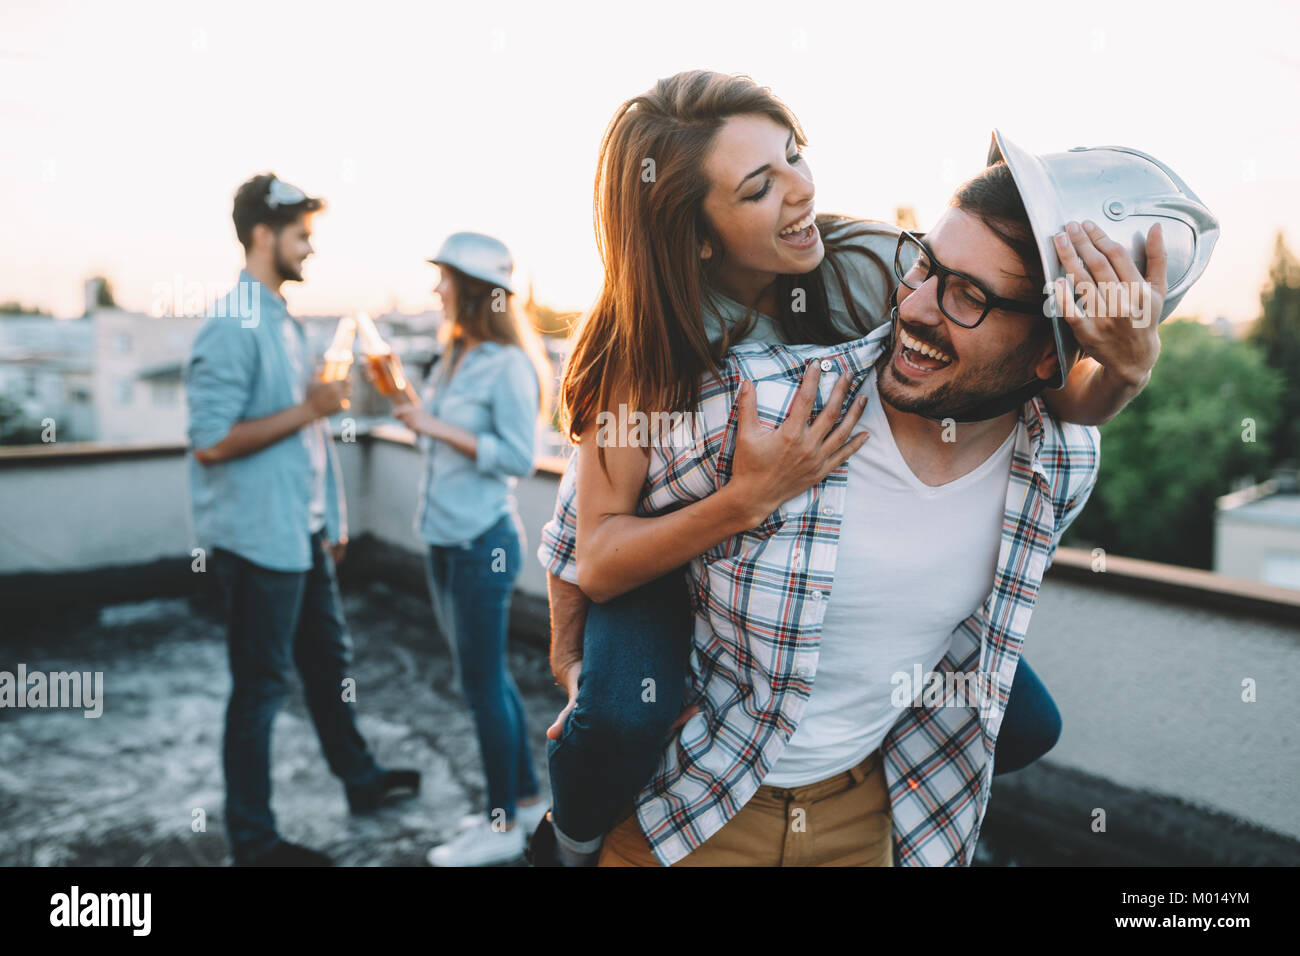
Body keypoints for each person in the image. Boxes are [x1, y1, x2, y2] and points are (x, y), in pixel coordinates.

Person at [529, 71, 1215, 866]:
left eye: (795, 156)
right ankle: (566, 841)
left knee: (1023, 722)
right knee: (620, 713)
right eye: (759, 187)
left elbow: (1028, 386)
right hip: (676, 538)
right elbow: (587, 542)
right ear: (699, 235)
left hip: (798, 562)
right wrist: (573, 654)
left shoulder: (868, 263)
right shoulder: (644, 355)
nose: (801, 192)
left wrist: (1121, 373)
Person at [185, 173, 421, 867]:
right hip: (257, 541)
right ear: (264, 234)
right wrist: (312, 409)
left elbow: (306, 437)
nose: (311, 250)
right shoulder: (231, 325)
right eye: (302, 236)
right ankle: (253, 842)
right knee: (260, 689)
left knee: (329, 665)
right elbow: (212, 440)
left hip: (300, 533)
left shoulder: (281, 319)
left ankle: (361, 782)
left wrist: (332, 516)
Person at [390, 232, 553, 866]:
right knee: (485, 679)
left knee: (482, 684)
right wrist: (417, 412)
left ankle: (500, 825)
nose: (436, 288)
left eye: (445, 277)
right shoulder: (454, 354)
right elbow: (443, 441)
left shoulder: (509, 365)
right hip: (442, 539)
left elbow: (516, 456)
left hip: (482, 545)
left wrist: (434, 426)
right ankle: (525, 799)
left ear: (476, 290)